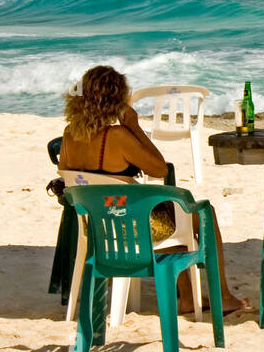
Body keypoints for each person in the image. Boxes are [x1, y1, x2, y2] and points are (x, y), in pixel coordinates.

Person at [59, 65, 248, 315]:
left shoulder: (69, 135)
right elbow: (159, 168)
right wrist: (135, 127)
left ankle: (189, 298)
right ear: (116, 99)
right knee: (203, 213)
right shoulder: (117, 136)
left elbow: (73, 176)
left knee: (169, 210)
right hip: (131, 226)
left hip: (96, 225)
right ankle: (223, 295)